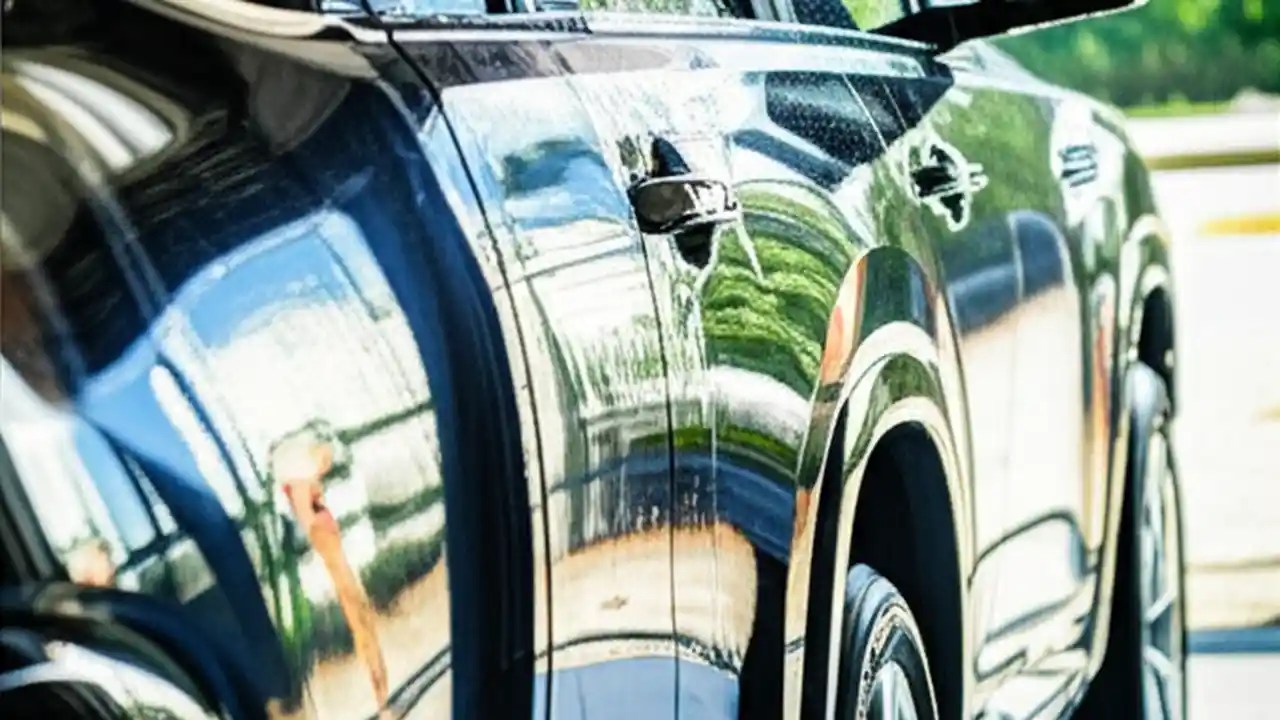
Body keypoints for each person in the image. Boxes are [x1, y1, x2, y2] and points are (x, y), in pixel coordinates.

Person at [269, 426, 389, 713]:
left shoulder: (308, 502)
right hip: (330, 560)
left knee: (362, 622)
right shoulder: (305, 502)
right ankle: (381, 695)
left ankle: (381, 694)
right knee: (361, 623)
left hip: (333, 558)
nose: (319, 486)